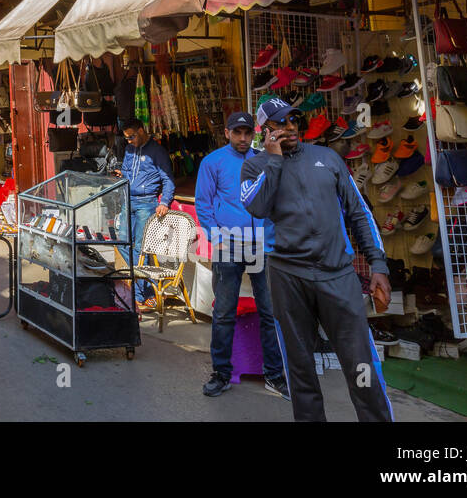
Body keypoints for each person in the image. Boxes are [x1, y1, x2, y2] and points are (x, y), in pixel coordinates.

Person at [240, 98, 393, 422]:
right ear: (265, 131)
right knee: (301, 370)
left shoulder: (328, 158)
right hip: (288, 277)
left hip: (337, 276)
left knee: (361, 365)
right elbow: (257, 206)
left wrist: (377, 265)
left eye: (293, 120)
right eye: (280, 123)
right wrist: (275, 161)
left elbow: (359, 214)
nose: (289, 127)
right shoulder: (254, 167)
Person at [194, 112, 288, 400]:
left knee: (270, 312)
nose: (243, 138)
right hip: (229, 245)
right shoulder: (213, 162)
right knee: (223, 313)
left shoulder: (265, 159)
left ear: (254, 133)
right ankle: (221, 374)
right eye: (238, 133)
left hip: (261, 244)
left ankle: (274, 374)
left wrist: (271, 235)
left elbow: (276, 198)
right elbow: (203, 202)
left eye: (248, 132)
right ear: (227, 133)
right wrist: (216, 236)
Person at [111, 117, 174, 312]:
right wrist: (123, 174)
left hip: (147, 202)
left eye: (131, 137)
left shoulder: (157, 152)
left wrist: (164, 202)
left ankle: (142, 295)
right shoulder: (129, 149)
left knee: (140, 247)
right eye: (126, 138)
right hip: (128, 199)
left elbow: (168, 179)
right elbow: (128, 170)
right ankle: (145, 290)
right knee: (122, 242)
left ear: (141, 130)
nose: (129, 141)